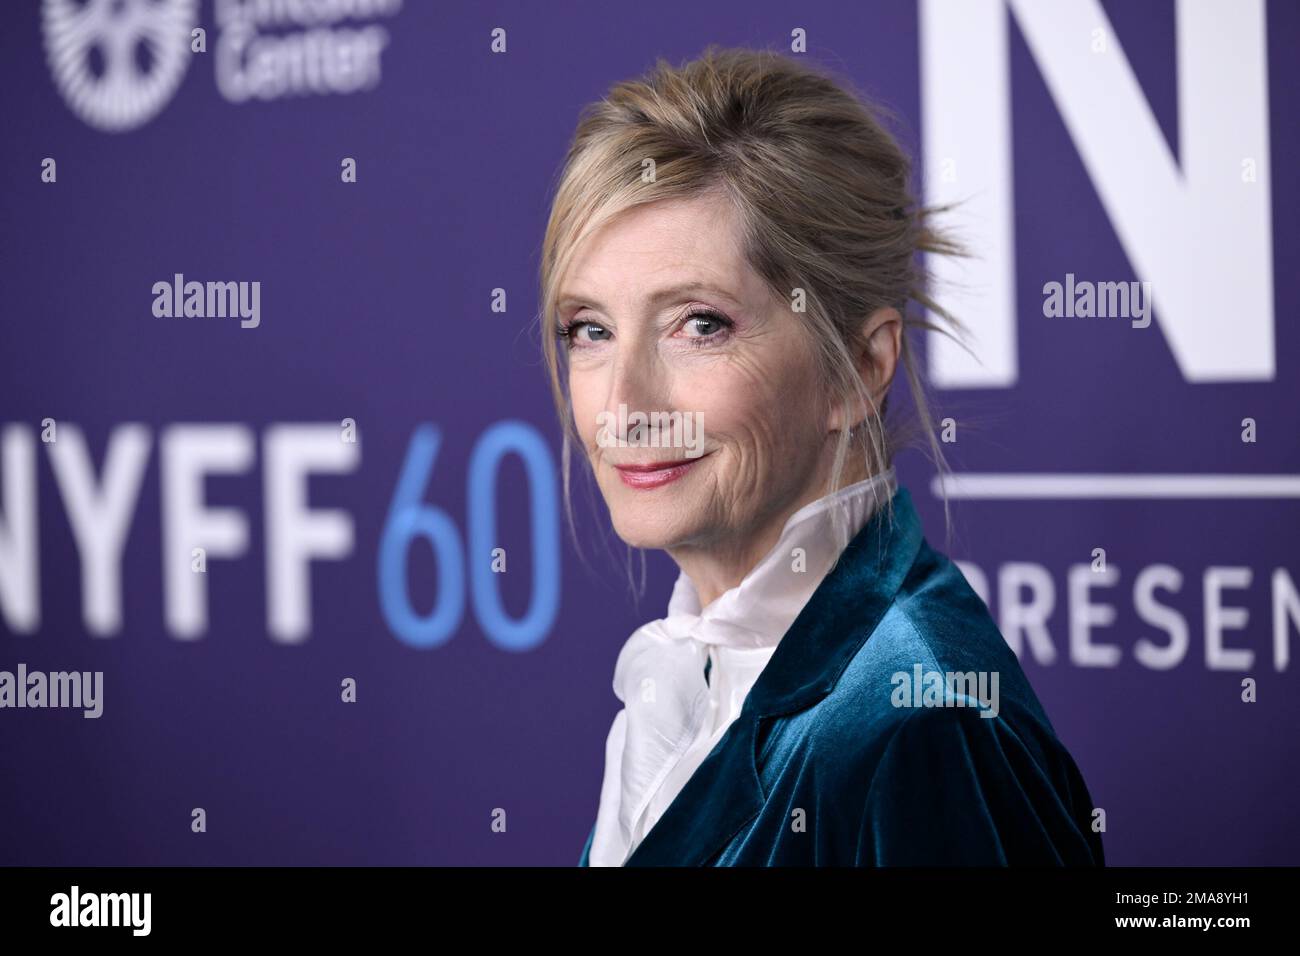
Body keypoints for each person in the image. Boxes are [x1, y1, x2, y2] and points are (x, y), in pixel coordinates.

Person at [537, 45, 1104, 866]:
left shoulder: (920, 724)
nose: (624, 406)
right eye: (590, 329)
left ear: (863, 367)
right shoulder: (703, 670)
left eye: (700, 324)